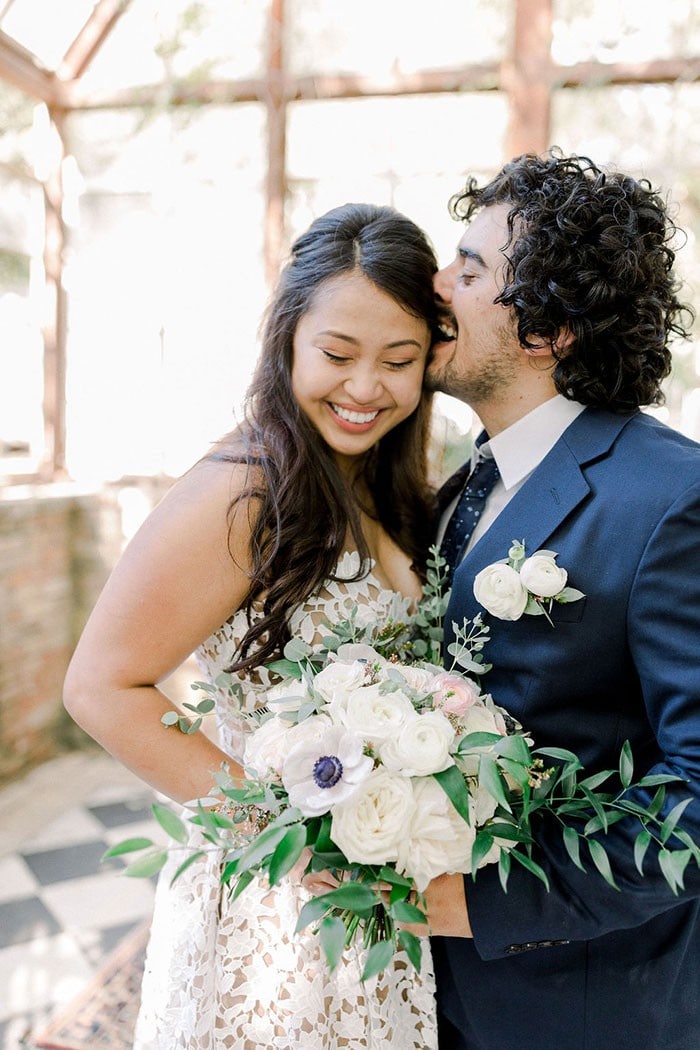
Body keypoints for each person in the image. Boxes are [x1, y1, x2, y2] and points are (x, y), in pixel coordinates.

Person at [63, 202, 443, 1049]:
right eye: (337, 354)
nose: (364, 387)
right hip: (275, 915)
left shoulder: (379, 480)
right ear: (287, 340)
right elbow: (100, 687)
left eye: (400, 360)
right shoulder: (243, 490)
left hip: (371, 911)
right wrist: (289, 838)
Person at [419, 148, 700, 1049]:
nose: (435, 283)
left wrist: (478, 904)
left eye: (470, 269)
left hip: (582, 1004)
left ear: (549, 330)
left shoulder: (670, 497)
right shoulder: (465, 480)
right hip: (436, 995)